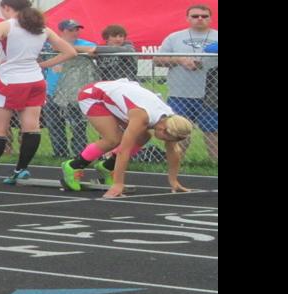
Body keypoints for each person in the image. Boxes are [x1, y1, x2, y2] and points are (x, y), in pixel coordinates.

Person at [0, 0, 75, 185]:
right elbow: (70, 52)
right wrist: (42, 65)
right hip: (35, 80)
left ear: (6, 7)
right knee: (31, 127)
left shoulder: (2, 26)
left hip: (8, 81)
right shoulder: (41, 27)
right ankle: (21, 169)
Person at [61, 77, 194, 199]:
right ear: (162, 130)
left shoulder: (170, 119)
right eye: (167, 139)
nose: (166, 143)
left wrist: (174, 181)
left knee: (144, 136)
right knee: (113, 139)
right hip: (93, 96)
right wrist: (118, 184)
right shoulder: (142, 117)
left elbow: (173, 150)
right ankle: (74, 165)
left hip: (118, 94)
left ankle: (108, 167)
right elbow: (123, 150)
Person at [155, 5, 217, 164]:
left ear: (210, 18)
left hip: (211, 95)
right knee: (177, 130)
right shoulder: (174, 38)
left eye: (204, 16)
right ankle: (176, 163)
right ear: (187, 18)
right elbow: (157, 60)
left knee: (213, 131)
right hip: (180, 93)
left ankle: (214, 166)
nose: (200, 19)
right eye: (195, 16)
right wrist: (180, 60)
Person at [45, 19, 96, 159]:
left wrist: (67, 48)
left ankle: (80, 154)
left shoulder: (83, 43)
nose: (75, 33)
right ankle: (60, 153)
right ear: (61, 31)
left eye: (76, 29)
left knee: (78, 125)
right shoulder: (51, 44)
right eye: (70, 30)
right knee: (54, 124)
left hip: (75, 93)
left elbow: (92, 49)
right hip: (52, 91)